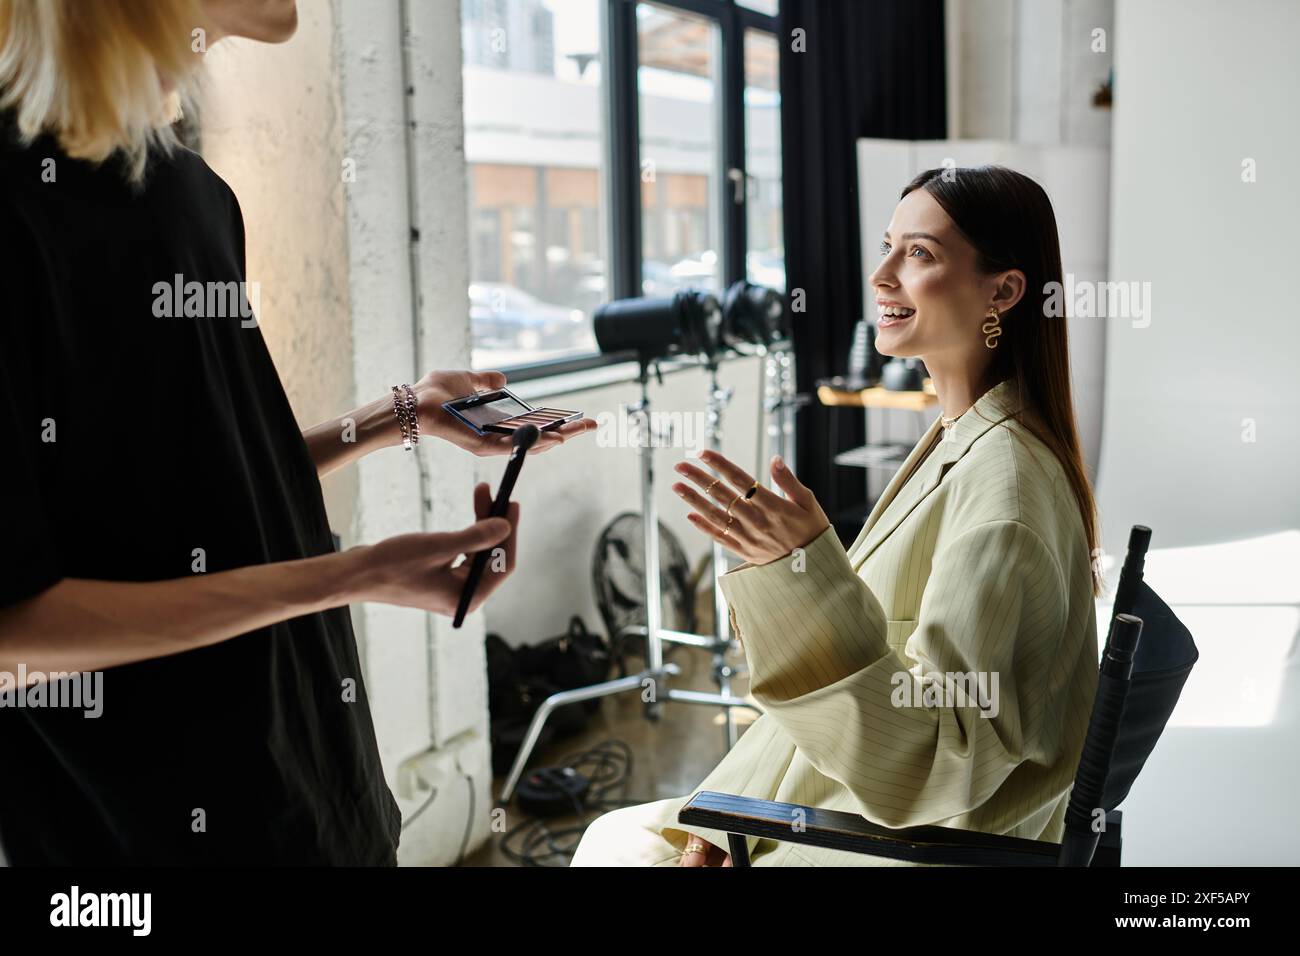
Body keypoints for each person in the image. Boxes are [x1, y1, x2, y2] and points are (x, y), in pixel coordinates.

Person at [0, 0, 594, 865]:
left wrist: (398, 415)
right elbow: (14, 638)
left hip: (317, 791)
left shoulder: (193, 192)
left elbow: (207, 478)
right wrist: (351, 574)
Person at [572, 165, 1102, 866]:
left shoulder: (1002, 494)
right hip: (870, 813)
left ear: (1001, 291)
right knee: (619, 838)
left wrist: (805, 578)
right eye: (889, 246)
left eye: (919, 254)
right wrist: (725, 813)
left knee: (612, 845)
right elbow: (875, 681)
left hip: (921, 845)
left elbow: (946, 760)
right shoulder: (966, 436)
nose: (881, 275)